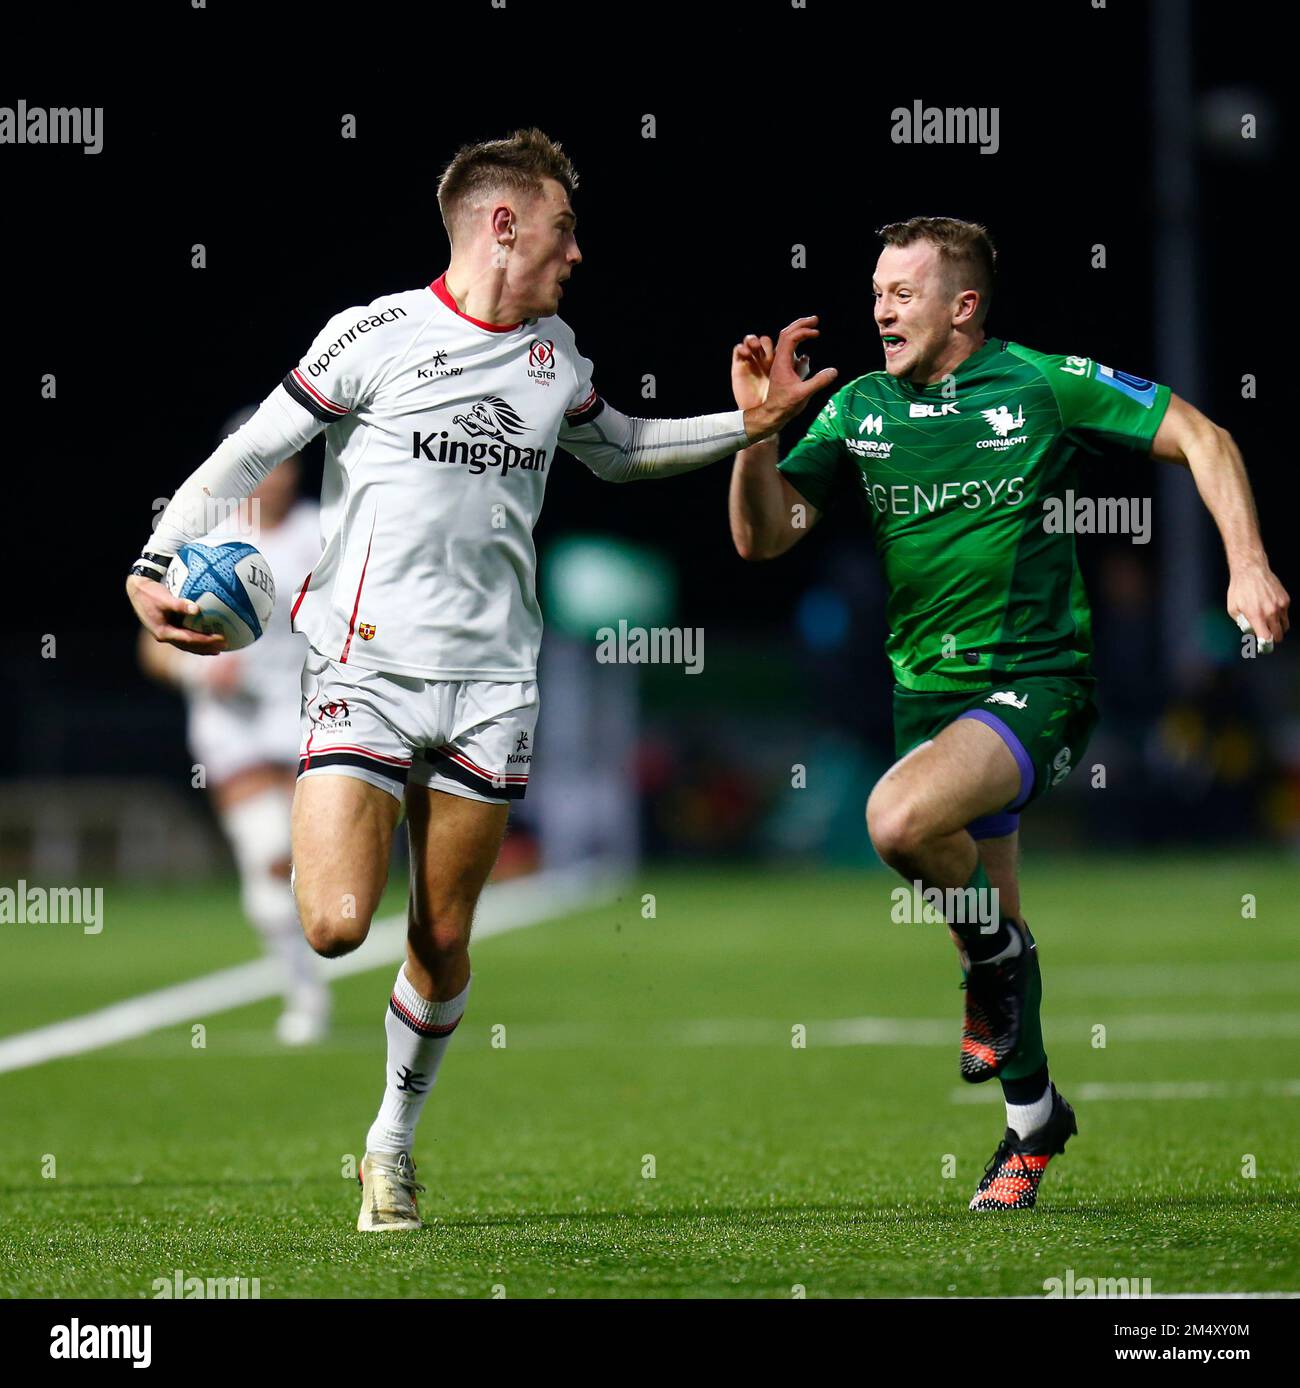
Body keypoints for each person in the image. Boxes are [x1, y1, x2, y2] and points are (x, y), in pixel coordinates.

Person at [125, 128, 829, 1231]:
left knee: (444, 936)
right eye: (563, 228)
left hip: (495, 685)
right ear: (503, 225)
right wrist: (153, 560)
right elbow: (249, 455)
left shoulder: (555, 350)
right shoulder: (372, 333)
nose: (576, 252)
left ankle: (389, 1146)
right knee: (334, 921)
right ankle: (358, 1039)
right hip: (364, 670)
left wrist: (747, 425)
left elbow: (626, 449)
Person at [728, 216, 1289, 1210]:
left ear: (964, 306)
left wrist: (1246, 564)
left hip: (1037, 687)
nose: (879, 307)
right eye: (874, 290)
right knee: (992, 933)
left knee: (897, 821)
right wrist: (757, 439)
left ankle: (994, 968)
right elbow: (763, 539)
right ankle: (1032, 1121)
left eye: (902, 291)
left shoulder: (1039, 382)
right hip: (928, 704)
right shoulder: (858, 406)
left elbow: (1206, 434)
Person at [138, 438, 328, 1045]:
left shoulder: (321, 533)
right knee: (266, 849)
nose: (270, 479)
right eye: (260, 467)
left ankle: (323, 934)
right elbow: (152, 646)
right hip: (230, 721)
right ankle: (303, 994)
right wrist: (198, 667)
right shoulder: (203, 540)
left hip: (307, 709)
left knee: (315, 861)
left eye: (283, 467)